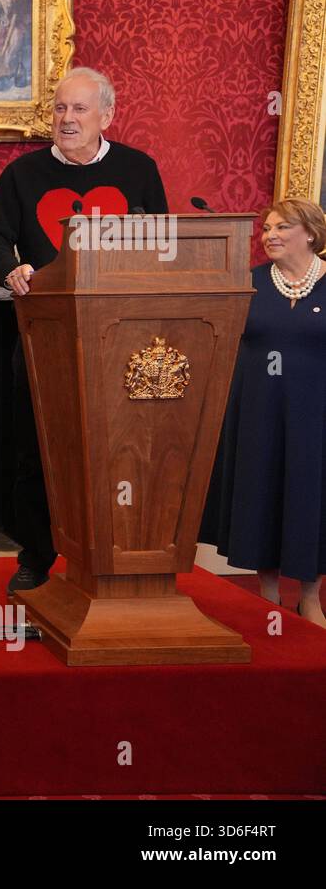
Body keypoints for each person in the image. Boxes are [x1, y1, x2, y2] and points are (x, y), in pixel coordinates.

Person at [0, 66, 169, 596]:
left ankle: (123, 552)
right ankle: (37, 555)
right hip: (46, 338)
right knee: (37, 449)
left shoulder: (138, 169)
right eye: (60, 108)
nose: (67, 118)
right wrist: (8, 269)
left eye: (79, 109)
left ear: (106, 115)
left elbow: (163, 243)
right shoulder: (22, 175)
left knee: (120, 448)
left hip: (122, 339)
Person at [201, 199, 326, 629]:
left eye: (281, 227)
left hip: (317, 416)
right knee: (262, 495)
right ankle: (268, 595)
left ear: (310, 233)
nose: (269, 235)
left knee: (313, 499)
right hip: (258, 411)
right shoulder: (248, 281)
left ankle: (309, 598)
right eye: (266, 228)